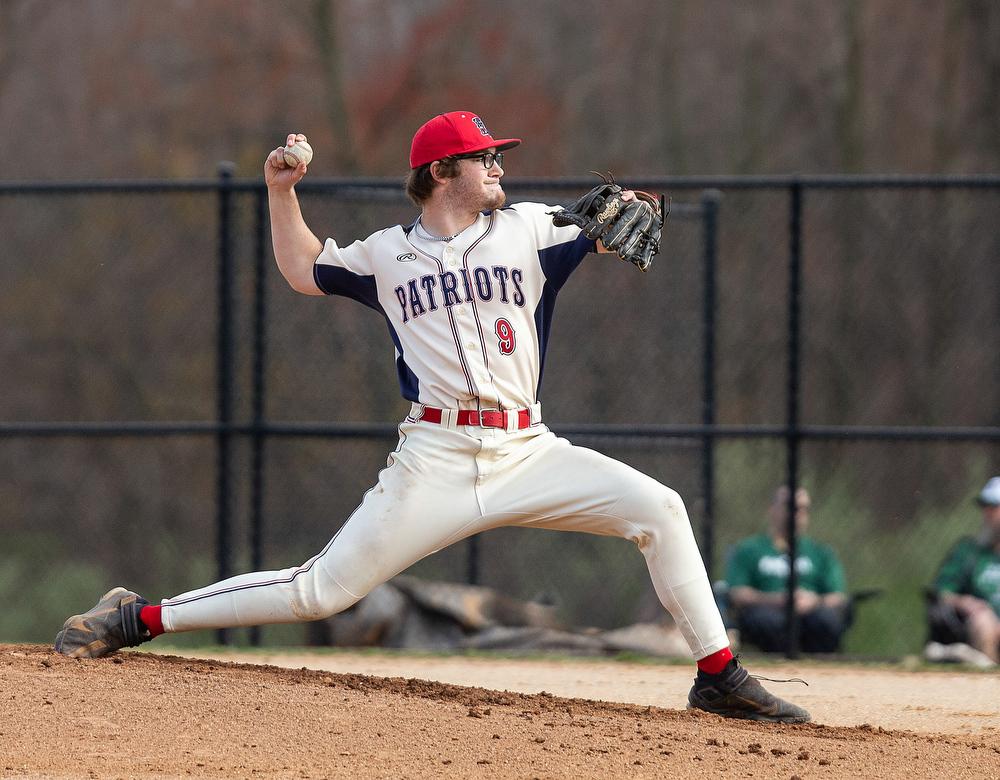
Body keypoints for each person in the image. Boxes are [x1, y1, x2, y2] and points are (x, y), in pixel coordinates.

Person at [54, 111, 809, 723]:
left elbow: (618, 219)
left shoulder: (532, 229)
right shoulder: (384, 256)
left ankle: (718, 675)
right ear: (443, 173)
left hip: (529, 451)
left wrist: (642, 206)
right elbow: (300, 269)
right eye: (486, 159)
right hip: (437, 458)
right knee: (320, 591)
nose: (501, 169)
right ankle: (137, 617)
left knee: (661, 509)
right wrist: (282, 193)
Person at [726, 486, 850, 653]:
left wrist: (814, 601)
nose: (798, 513)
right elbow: (737, 593)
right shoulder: (749, 549)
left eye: (803, 508)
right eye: (790, 506)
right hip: (767, 612)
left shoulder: (821, 553)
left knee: (825, 620)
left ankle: (820, 669)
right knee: (766, 621)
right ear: (771, 509)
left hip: (810, 614)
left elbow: (838, 597)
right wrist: (776, 600)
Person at [924, 477, 1000, 666]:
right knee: (984, 622)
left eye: (994, 507)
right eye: (985, 506)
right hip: (979, 626)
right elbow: (941, 592)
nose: (987, 512)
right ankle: (989, 688)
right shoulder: (968, 552)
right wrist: (963, 602)